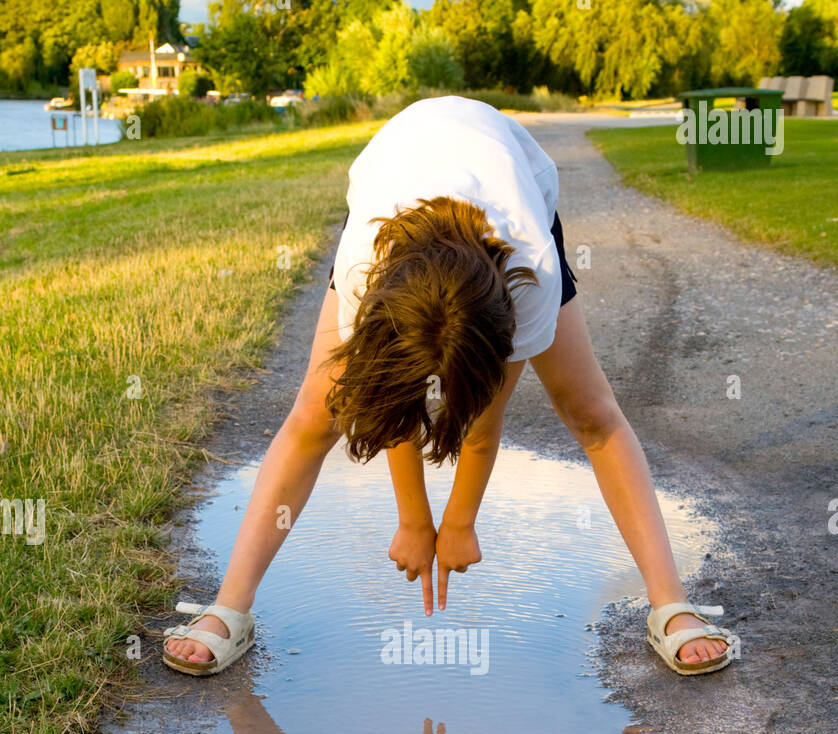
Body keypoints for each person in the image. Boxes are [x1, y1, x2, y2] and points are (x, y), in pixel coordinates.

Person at [164, 96, 733, 677]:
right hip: (390, 200)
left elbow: (482, 419)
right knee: (315, 414)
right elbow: (388, 402)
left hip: (515, 198)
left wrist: (458, 521)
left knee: (591, 413)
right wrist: (413, 520)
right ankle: (227, 607)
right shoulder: (366, 270)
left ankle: (671, 603)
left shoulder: (528, 274)